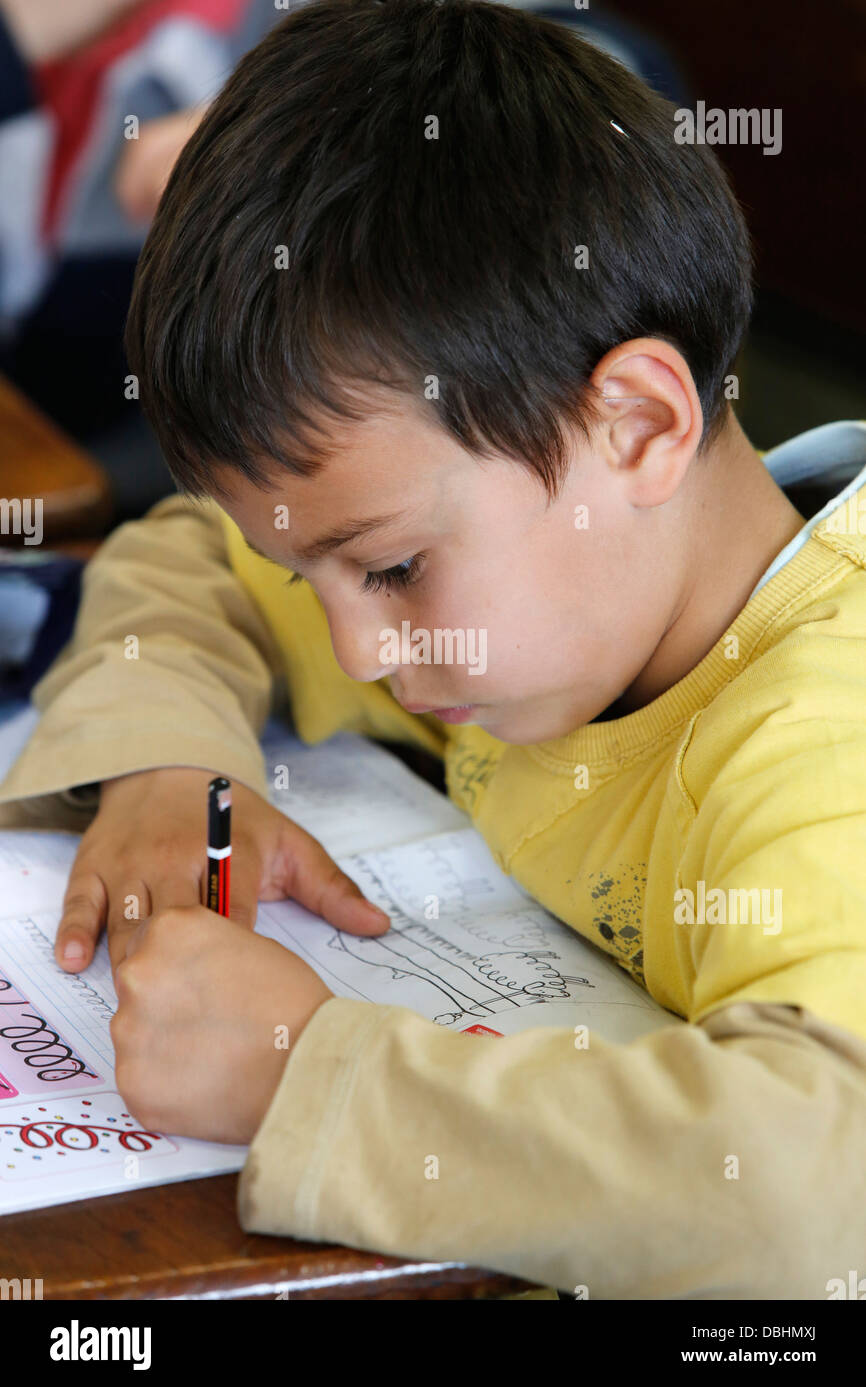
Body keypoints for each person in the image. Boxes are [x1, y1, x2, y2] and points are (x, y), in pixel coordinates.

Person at [2, 0, 866, 1299]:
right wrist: (166, 756)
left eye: (394, 567)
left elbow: (817, 1192)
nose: (358, 642)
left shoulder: (819, 734)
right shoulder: (519, 583)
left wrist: (303, 1068)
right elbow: (186, 561)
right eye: (314, 576)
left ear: (634, 425)